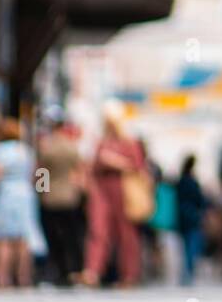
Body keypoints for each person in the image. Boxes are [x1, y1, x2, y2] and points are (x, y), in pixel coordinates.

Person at [79, 103, 147, 288]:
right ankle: (92, 271)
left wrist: (115, 162)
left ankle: (129, 275)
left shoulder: (130, 143)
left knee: (126, 234)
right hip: (101, 190)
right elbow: (91, 166)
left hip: (124, 190)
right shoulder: (100, 142)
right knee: (97, 230)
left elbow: (139, 168)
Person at [0, 117, 37, 288]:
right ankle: (23, 278)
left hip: (6, 194)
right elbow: (37, 174)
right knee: (23, 239)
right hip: (26, 195)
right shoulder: (26, 150)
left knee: (4, 239)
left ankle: (2, 277)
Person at [36, 111, 86, 285]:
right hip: (70, 196)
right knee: (72, 236)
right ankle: (76, 270)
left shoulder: (46, 146)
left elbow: (41, 172)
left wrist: (41, 193)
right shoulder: (71, 146)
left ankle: (60, 271)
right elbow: (80, 171)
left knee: (54, 237)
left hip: (51, 197)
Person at [176, 155, 210, 286]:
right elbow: (200, 199)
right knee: (192, 246)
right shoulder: (192, 181)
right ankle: (189, 272)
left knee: (185, 246)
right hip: (193, 216)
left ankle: (186, 272)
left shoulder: (180, 181)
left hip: (182, 216)